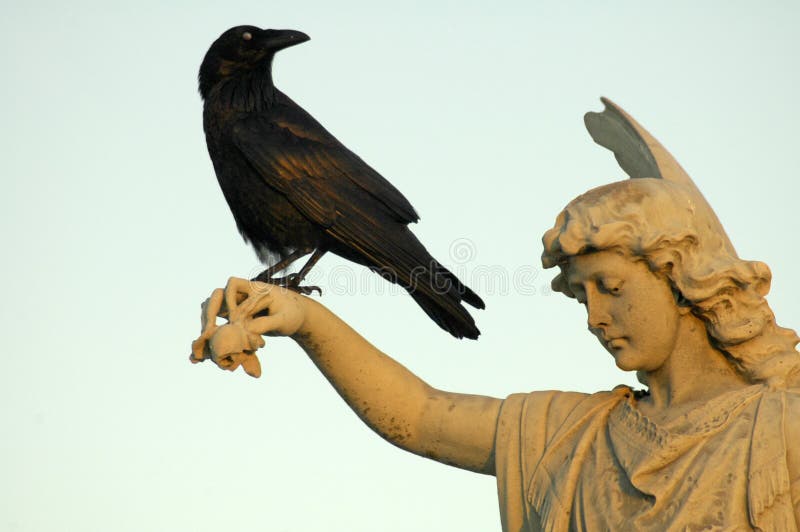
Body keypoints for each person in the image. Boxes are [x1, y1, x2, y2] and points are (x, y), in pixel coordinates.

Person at [191, 104, 800, 530]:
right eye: (579, 296)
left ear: (680, 275)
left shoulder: (780, 431)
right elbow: (420, 417)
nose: (594, 317)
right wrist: (300, 317)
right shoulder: (570, 433)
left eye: (611, 288)